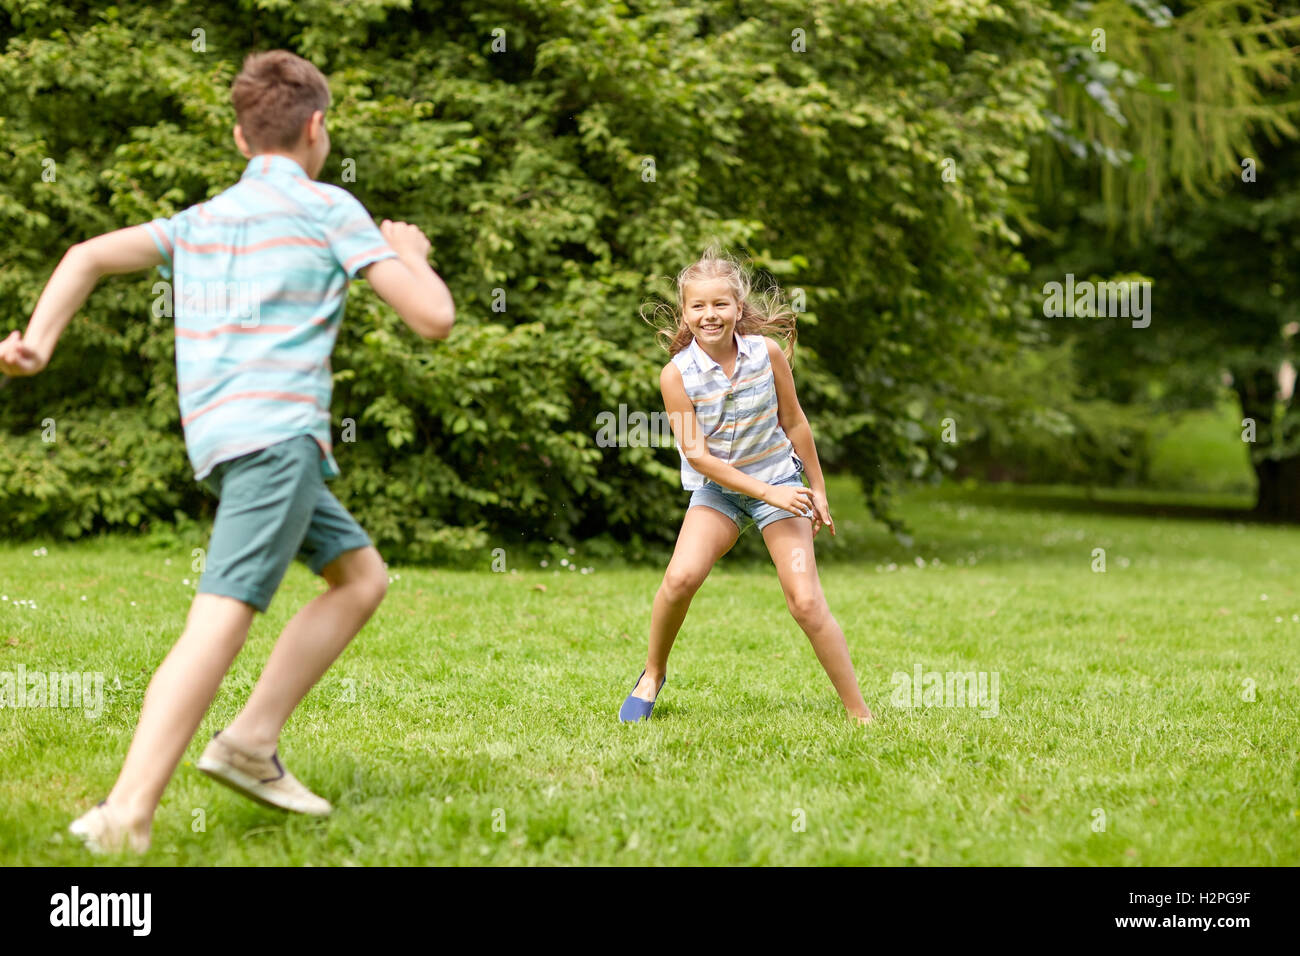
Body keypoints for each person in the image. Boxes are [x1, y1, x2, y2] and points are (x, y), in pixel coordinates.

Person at [0, 49, 455, 853]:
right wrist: (410, 253)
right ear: (316, 128)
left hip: (227, 443)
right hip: (278, 442)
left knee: (360, 578)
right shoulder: (327, 207)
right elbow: (433, 319)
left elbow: (85, 256)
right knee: (219, 620)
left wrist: (37, 343)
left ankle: (249, 743)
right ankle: (126, 812)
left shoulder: (202, 220)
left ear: (241, 139)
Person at [618, 250, 873, 724]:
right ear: (685, 312)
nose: (709, 315)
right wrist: (767, 493)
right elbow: (697, 456)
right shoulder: (676, 375)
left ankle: (860, 714)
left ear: (738, 307)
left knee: (806, 601)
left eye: (720, 305)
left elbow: (794, 421)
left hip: (779, 478)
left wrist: (816, 488)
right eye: (698, 306)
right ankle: (652, 674)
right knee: (679, 579)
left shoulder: (766, 354)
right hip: (719, 491)